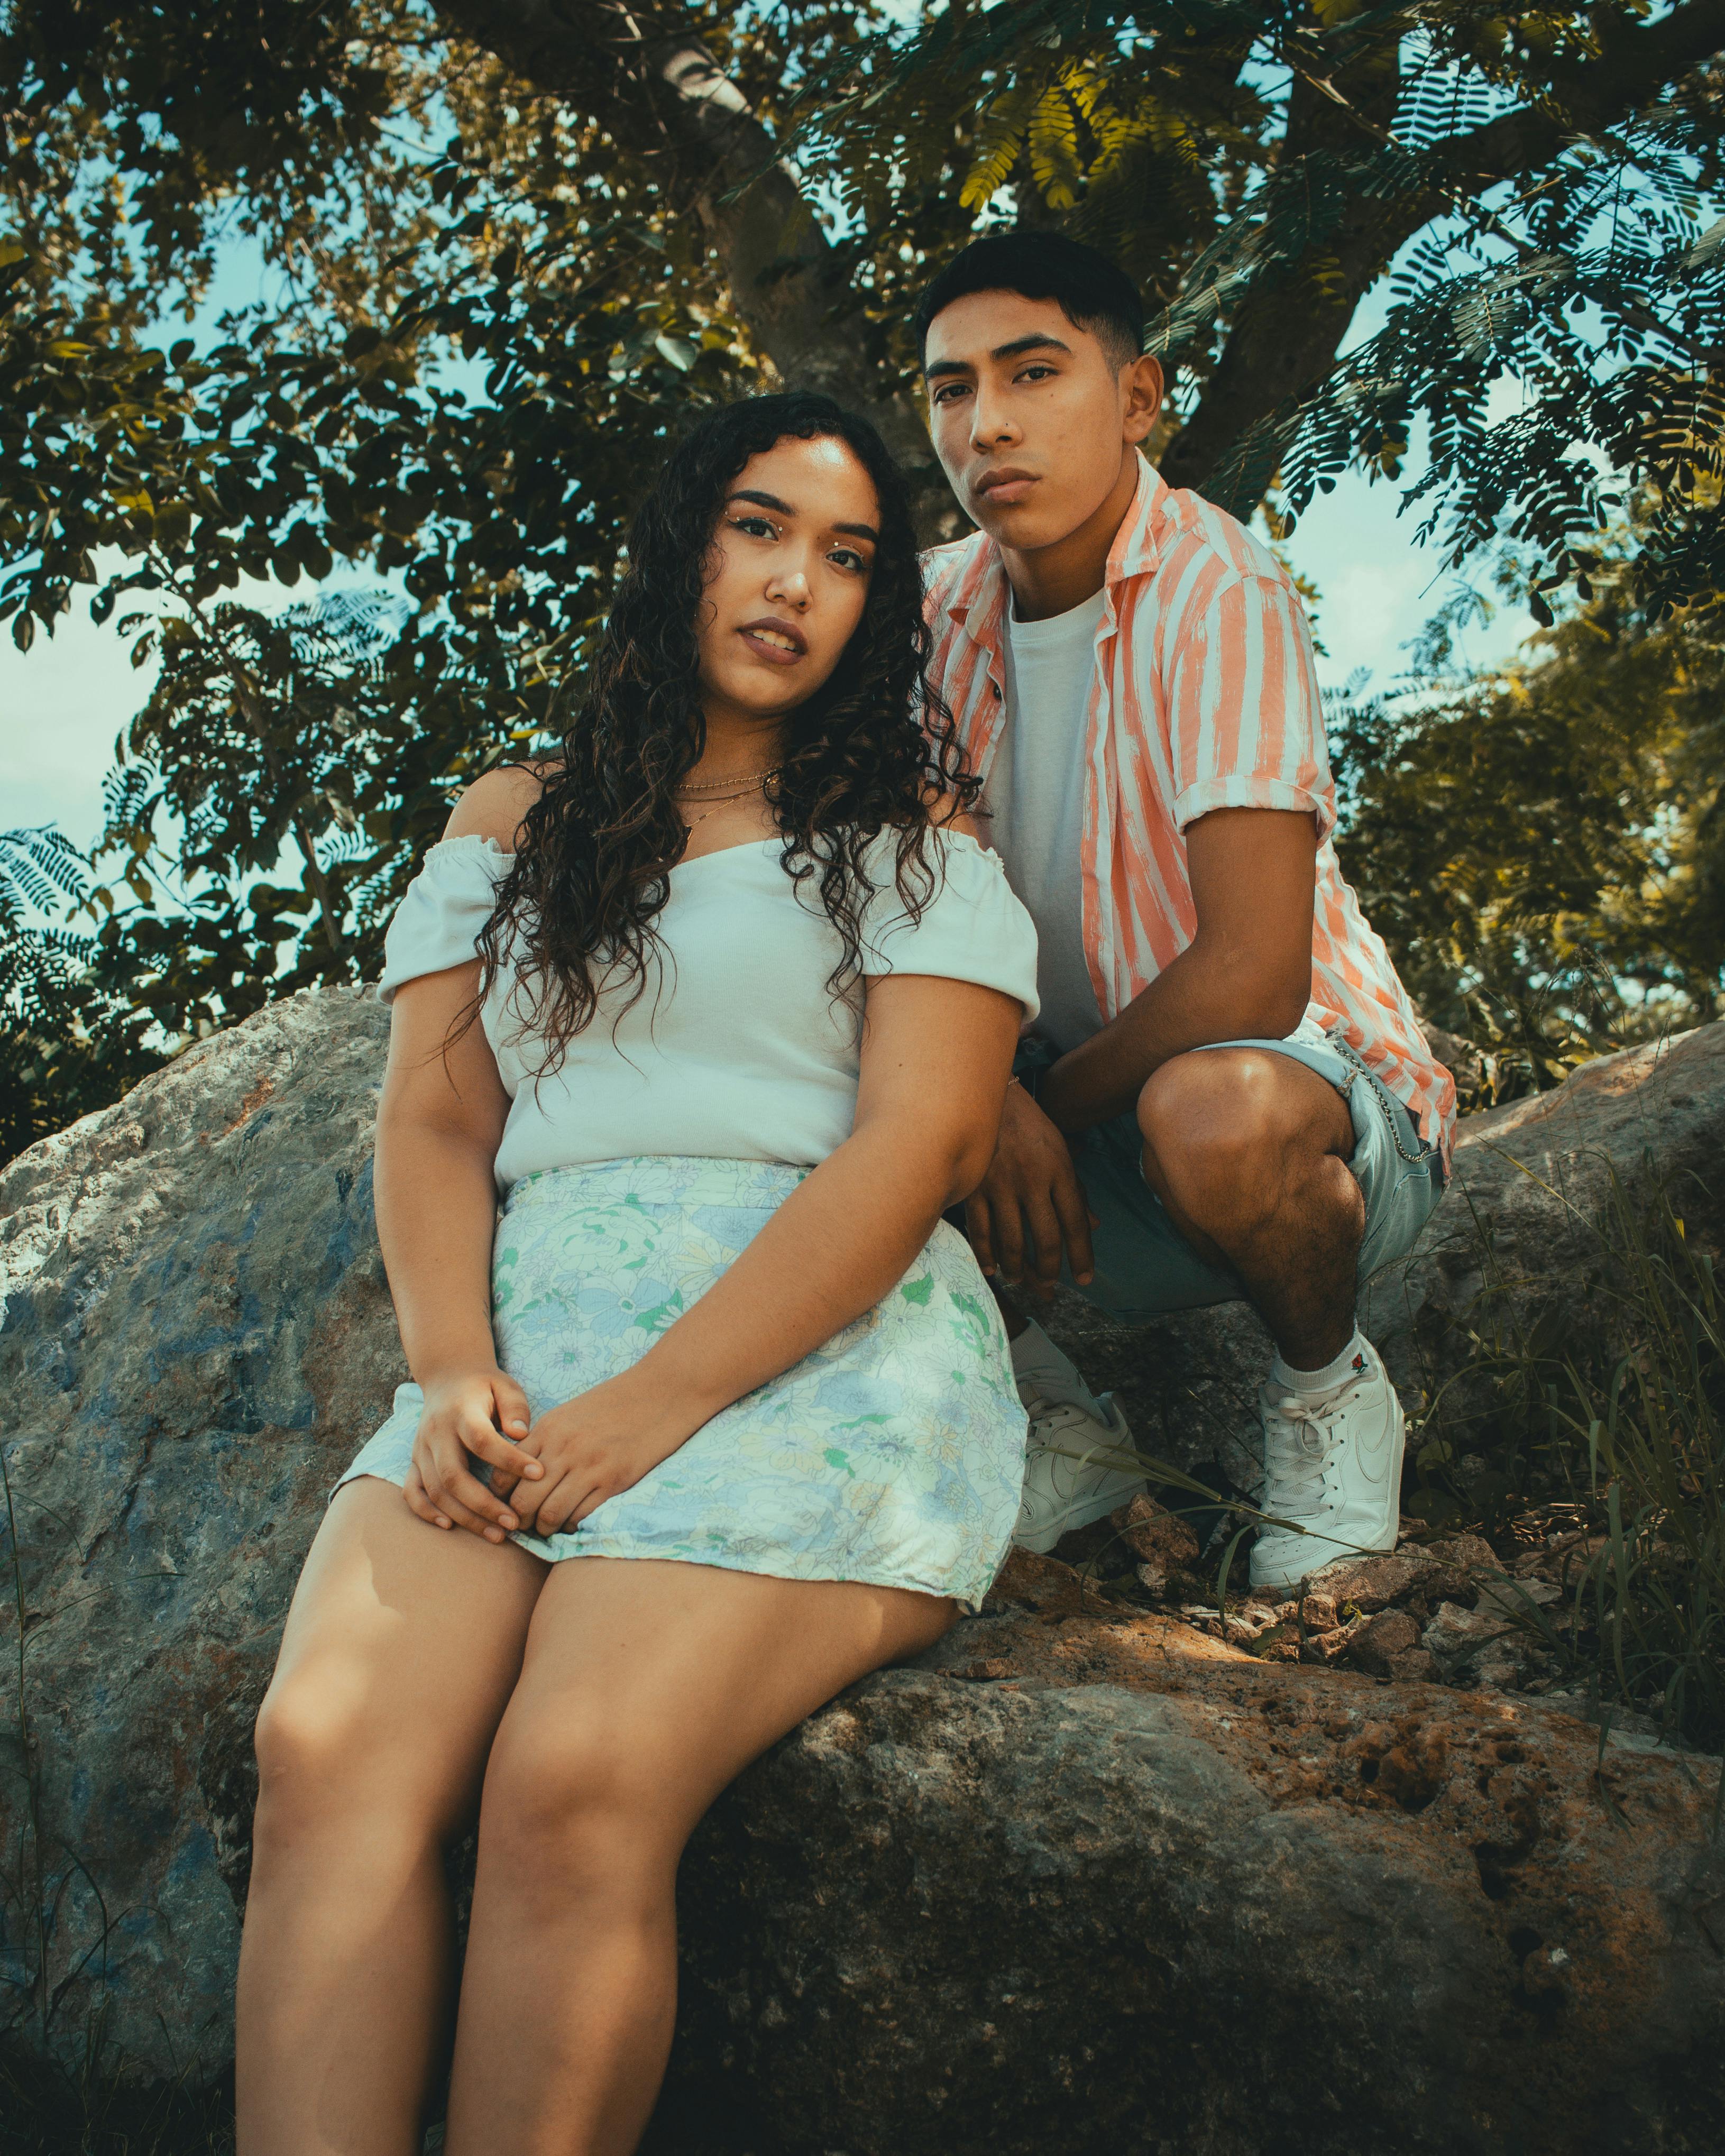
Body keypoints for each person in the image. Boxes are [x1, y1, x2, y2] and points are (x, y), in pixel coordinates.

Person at [234, 392, 1039, 2155]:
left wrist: (657, 1403)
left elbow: (920, 1145)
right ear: (681, 544)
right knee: (325, 1747)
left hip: (810, 1352)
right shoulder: (514, 816)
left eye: (846, 557)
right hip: (529, 1344)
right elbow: (435, 1121)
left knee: (572, 1776)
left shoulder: (907, 830)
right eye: (758, 527)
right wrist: (451, 1365)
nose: (794, 582)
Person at [913, 231, 1456, 1590]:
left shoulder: (1218, 585)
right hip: (1065, 1138)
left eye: (1032, 373)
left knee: (1212, 1107)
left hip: (1301, 1107)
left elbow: (1253, 975)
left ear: (1137, 398)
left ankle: (1327, 1391)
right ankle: (1055, 1424)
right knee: (804, 1090)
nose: (987, 424)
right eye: (950, 389)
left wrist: (1021, 1108)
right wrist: (982, 1099)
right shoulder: (922, 614)